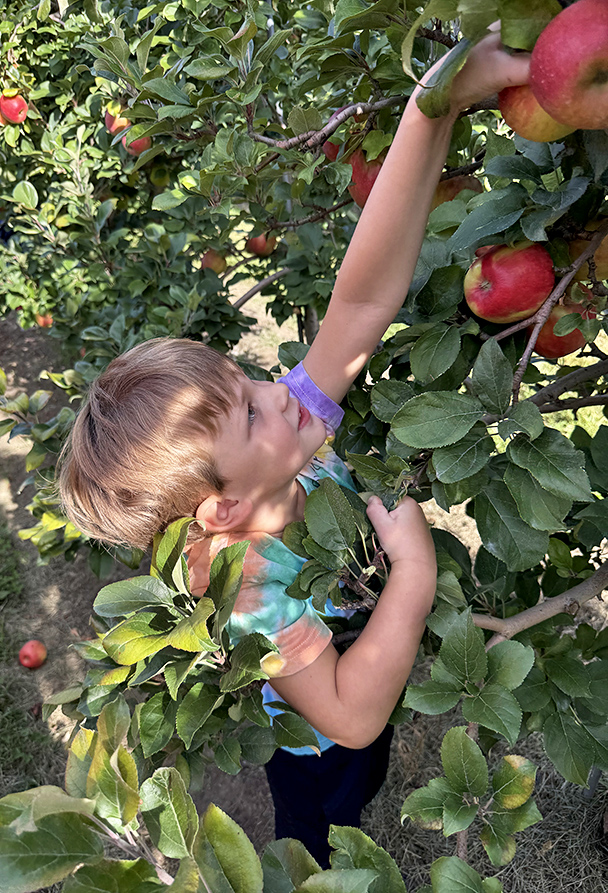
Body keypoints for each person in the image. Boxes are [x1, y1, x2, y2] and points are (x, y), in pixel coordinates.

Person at [59, 34, 530, 865]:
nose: (281, 390)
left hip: (358, 662)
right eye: (251, 410)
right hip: (314, 737)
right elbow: (346, 709)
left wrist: (438, 101)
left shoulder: (293, 438)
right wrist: (413, 576)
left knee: (369, 772)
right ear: (225, 509)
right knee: (326, 811)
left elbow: (363, 295)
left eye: (247, 380)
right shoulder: (251, 598)